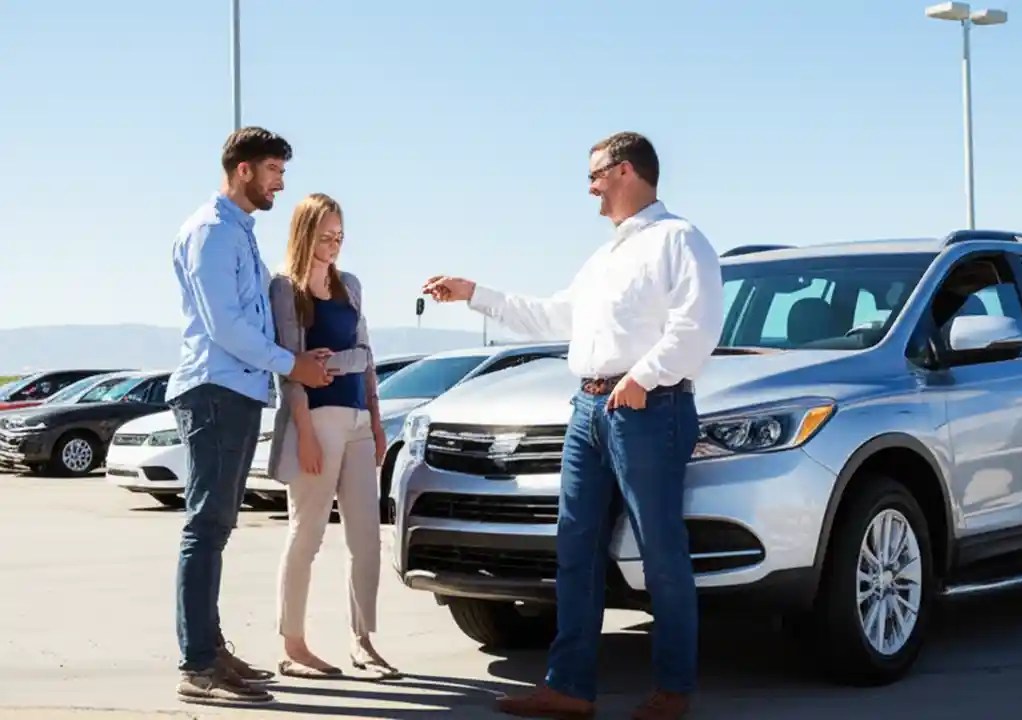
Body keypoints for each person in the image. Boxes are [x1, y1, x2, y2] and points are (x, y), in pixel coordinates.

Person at [423, 131, 724, 720]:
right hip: (587, 412)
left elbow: (698, 324)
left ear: (627, 171)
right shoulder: (607, 255)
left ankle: (673, 690)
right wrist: (474, 294)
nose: (589, 186)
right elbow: (555, 314)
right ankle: (569, 687)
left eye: (596, 174)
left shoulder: (679, 239)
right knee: (575, 548)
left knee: (662, 551)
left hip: (647, 408)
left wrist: (642, 377)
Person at [167, 126, 333, 706]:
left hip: (235, 392)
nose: (279, 184)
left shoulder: (238, 232)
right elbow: (226, 327)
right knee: (205, 527)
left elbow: (257, 313)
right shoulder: (213, 233)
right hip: (214, 390)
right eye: (272, 172)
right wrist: (291, 365)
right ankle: (197, 664)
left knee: (217, 527)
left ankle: (211, 650)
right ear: (243, 170)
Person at [266, 192, 399, 680]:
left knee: (366, 537)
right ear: (305, 233)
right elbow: (292, 366)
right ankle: (294, 645)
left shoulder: (351, 286)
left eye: (340, 235)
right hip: (315, 421)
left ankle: (362, 641)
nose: (334, 244)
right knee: (307, 534)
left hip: (360, 422)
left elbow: (366, 356)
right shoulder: (285, 288)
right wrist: (302, 432)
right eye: (325, 236)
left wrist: (378, 421)